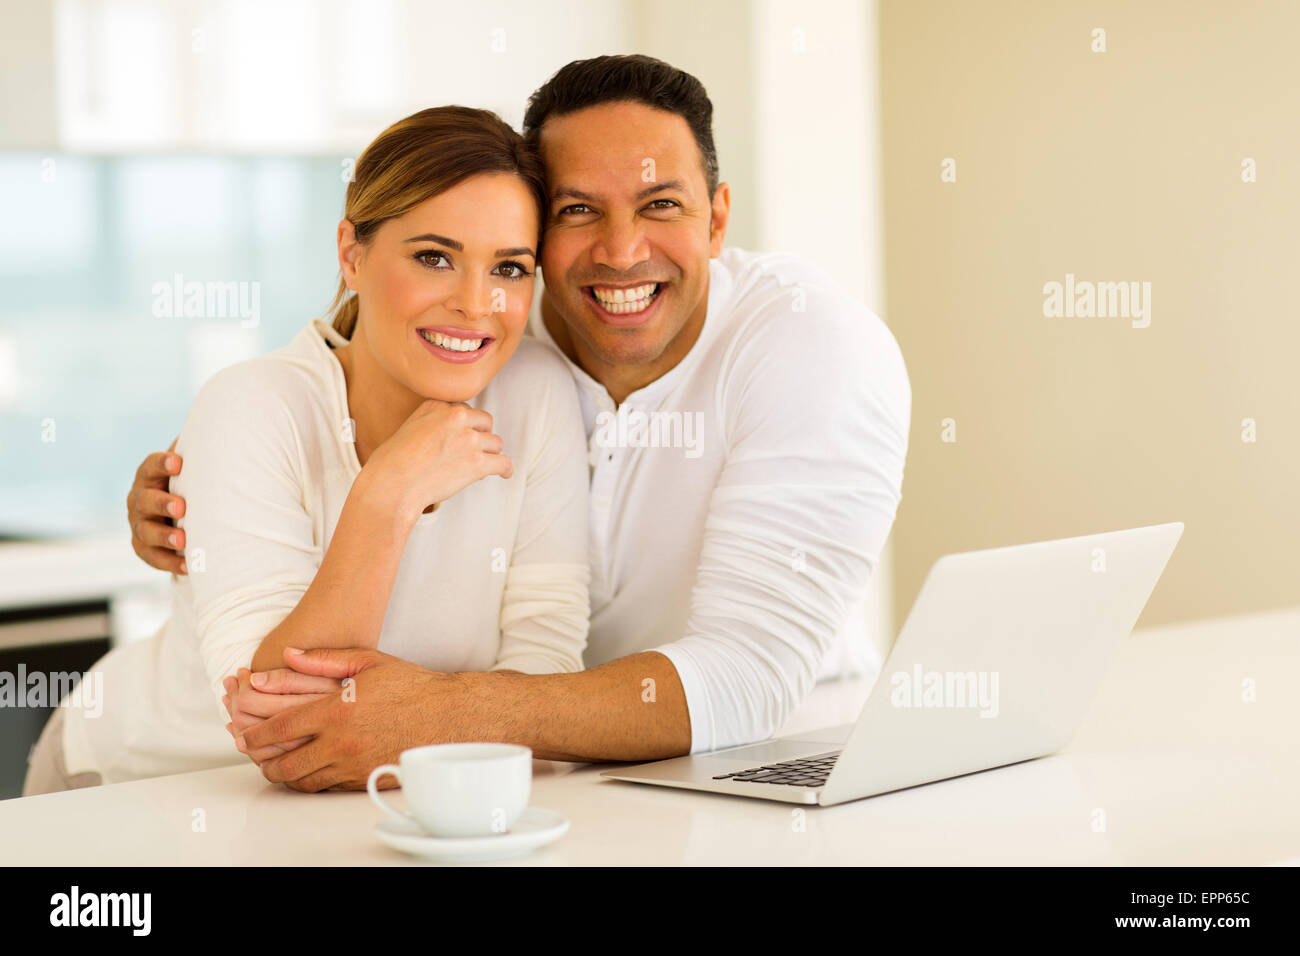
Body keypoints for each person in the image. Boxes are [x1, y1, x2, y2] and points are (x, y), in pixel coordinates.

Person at [125, 54, 912, 793]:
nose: (622, 250)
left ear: (716, 219)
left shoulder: (810, 345)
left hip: (749, 743)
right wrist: (197, 494)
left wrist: (443, 718)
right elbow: (301, 399)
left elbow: (743, 681)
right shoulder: (495, 341)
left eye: (661, 204)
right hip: (412, 769)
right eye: (577, 211)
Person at [23, 106, 591, 795]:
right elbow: (284, 718)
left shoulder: (537, 394)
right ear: (352, 254)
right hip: (148, 777)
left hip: (376, 794)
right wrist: (387, 496)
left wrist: (431, 733)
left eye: (509, 267)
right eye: (434, 257)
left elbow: (543, 688)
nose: (477, 303)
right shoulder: (251, 407)